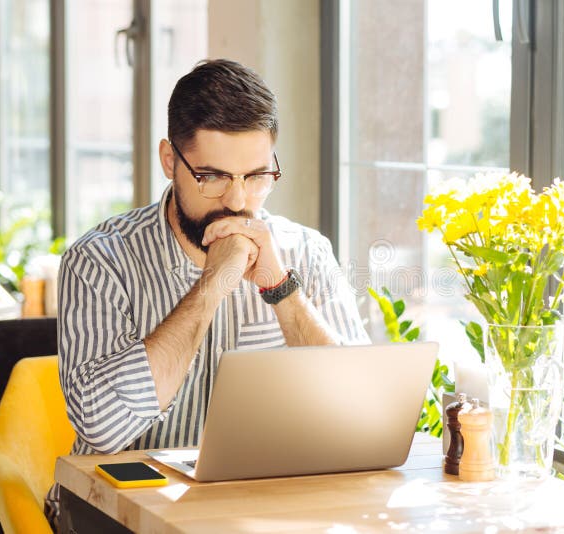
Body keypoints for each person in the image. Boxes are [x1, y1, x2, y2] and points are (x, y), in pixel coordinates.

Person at [44, 59, 369, 529]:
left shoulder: (307, 252)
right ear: (170, 160)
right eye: (213, 176)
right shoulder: (98, 261)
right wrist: (213, 284)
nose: (238, 201)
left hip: (255, 511)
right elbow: (104, 428)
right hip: (116, 513)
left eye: (256, 176)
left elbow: (360, 415)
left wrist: (282, 291)